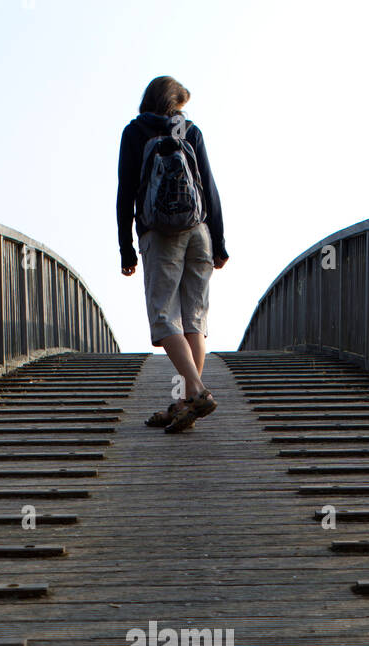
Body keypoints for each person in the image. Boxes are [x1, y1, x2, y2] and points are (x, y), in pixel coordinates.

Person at [117, 76, 228, 434]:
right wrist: (220, 241)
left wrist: (126, 249)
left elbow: (125, 191)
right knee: (194, 320)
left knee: (165, 317)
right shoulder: (188, 129)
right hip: (199, 230)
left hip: (159, 233)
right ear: (175, 104)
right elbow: (208, 186)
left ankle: (195, 391)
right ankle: (184, 403)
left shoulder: (135, 132)